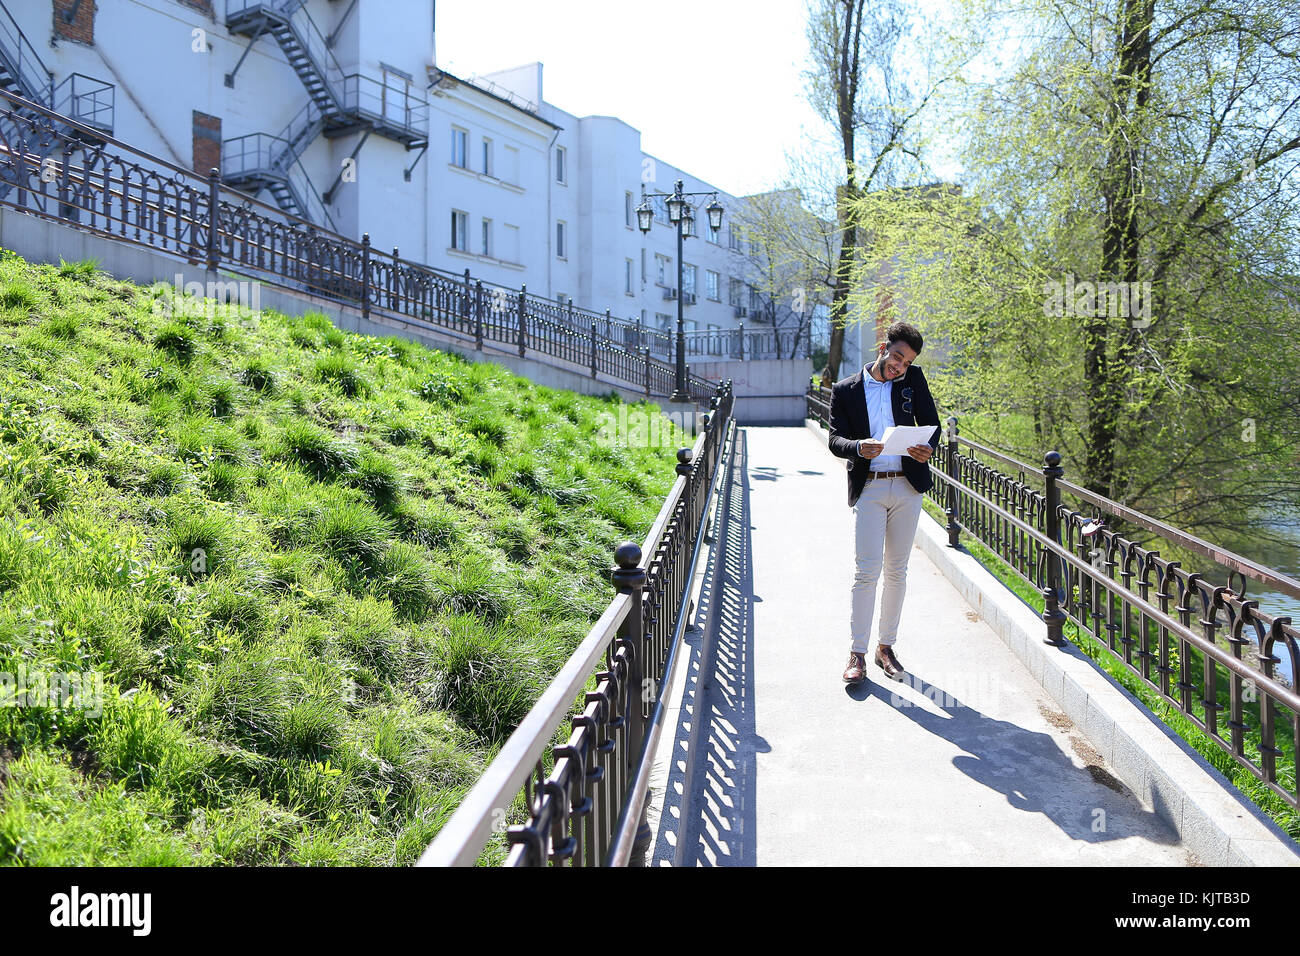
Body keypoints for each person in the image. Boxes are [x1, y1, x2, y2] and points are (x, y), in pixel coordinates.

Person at [826, 321, 941, 685]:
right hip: (871, 487)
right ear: (882, 347)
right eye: (897, 358)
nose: (900, 367)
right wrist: (858, 447)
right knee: (867, 571)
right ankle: (856, 653)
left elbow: (933, 424)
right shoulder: (845, 390)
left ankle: (885, 648)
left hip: (908, 487)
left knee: (897, 572)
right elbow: (834, 439)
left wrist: (928, 448)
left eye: (906, 363)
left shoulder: (913, 381)